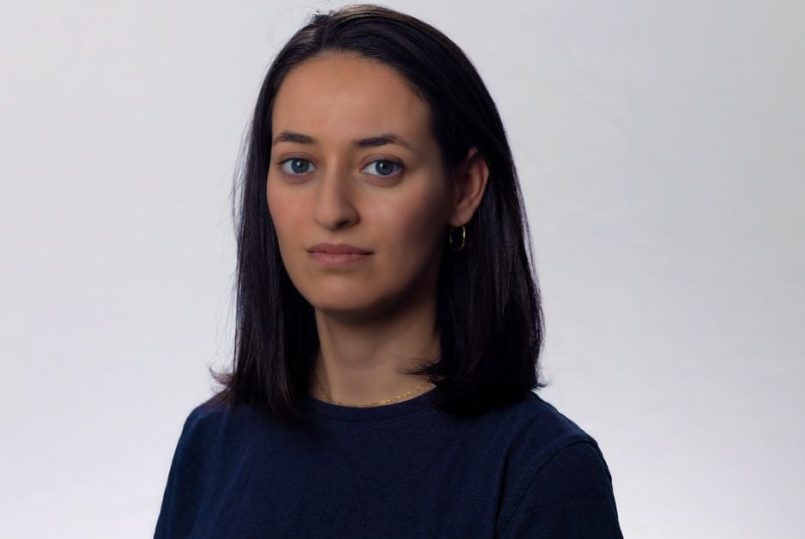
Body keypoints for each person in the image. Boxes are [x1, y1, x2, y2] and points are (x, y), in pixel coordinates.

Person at [154, 4, 623, 537]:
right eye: (298, 164)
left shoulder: (540, 472)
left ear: (465, 188)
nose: (332, 210)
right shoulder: (212, 442)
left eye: (382, 167)